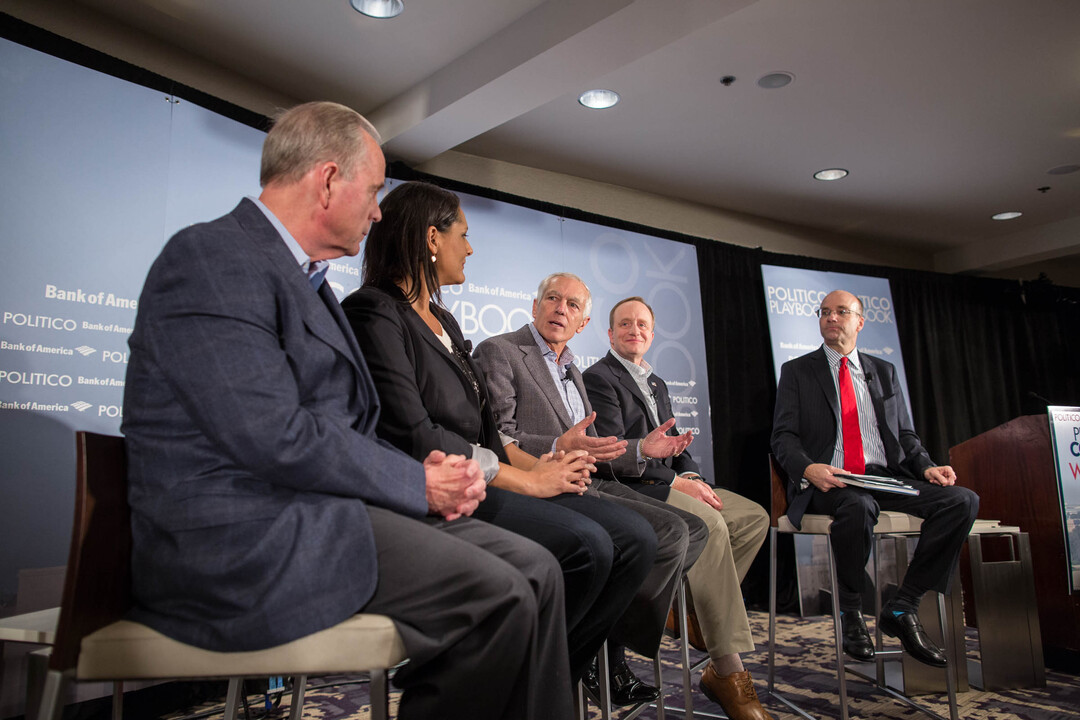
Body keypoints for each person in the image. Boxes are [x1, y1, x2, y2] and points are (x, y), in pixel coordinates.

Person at [122, 102, 571, 720]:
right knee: (496, 595)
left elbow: (341, 429)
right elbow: (271, 433)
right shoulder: (212, 257)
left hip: (318, 513)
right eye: (374, 188)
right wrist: (416, 481)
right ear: (329, 179)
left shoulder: (307, 282)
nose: (379, 210)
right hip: (241, 542)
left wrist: (434, 476)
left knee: (539, 569)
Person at [341, 181, 656, 685]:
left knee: (637, 538)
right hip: (444, 491)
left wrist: (542, 469)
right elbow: (417, 439)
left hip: (491, 478)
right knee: (590, 547)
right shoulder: (374, 312)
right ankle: (520, 681)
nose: (470, 247)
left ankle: (545, 678)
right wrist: (528, 482)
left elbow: (490, 434)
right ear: (430, 239)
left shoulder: (442, 318)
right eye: (462, 234)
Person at [473, 272, 709, 706]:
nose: (561, 309)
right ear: (534, 305)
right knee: (660, 535)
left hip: (588, 479)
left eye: (573, 305)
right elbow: (498, 437)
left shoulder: (573, 370)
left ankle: (606, 634)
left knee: (692, 531)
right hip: (539, 482)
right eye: (553, 299)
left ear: (582, 323)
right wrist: (559, 447)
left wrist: (642, 448)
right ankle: (606, 653)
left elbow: (594, 446)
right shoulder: (501, 351)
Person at [583, 296, 773, 720]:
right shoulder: (598, 378)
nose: (635, 330)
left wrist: (693, 477)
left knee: (752, 518)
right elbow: (613, 454)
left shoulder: (657, 383)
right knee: (713, 526)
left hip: (672, 482)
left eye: (643, 325)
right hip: (636, 487)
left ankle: (683, 610)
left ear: (652, 333)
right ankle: (729, 670)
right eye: (625, 324)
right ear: (610, 333)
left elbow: (675, 445)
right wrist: (675, 482)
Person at [770, 289, 979, 668]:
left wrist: (926, 466)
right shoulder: (798, 371)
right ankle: (851, 612)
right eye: (825, 312)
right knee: (857, 505)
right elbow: (783, 437)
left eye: (841, 312)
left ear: (859, 322)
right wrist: (808, 469)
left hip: (883, 478)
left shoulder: (883, 372)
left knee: (961, 500)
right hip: (830, 481)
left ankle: (903, 606)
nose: (831, 318)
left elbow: (905, 436)